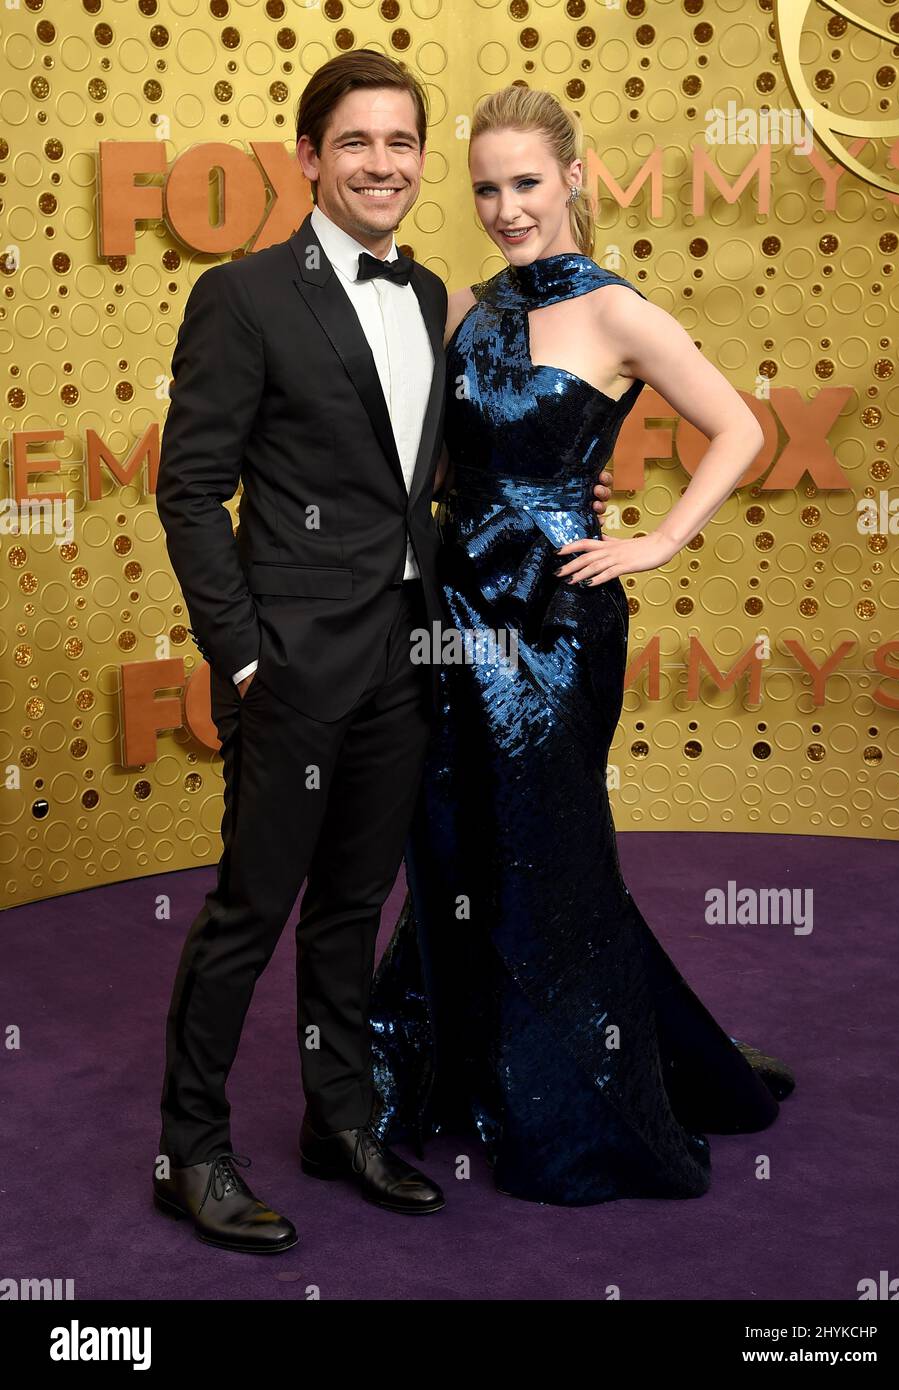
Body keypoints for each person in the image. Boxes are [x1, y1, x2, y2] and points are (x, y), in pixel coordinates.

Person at [152, 52, 617, 1251]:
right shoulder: (243, 296)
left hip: (411, 663)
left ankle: (340, 1119)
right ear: (310, 158)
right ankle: (189, 1150)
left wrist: (564, 482)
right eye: (355, 143)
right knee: (250, 913)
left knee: (351, 908)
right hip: (294, 668)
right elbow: (192, 491)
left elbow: (443, 468)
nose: (382, 165)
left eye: (401, 144)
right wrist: (246, 658)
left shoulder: (429, 299)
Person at [368, 85, 796, 1206]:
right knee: (457, 842)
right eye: (488, 188)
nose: (508, 207)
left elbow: (743, 427)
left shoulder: (620, 313)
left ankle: (580, 1112)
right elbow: (442, 465)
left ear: (572, 178)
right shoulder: (463, 306)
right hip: (456, 611)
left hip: (555, 623)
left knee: (548, 851)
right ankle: (478, 1077)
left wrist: (657, 539)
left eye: (526, 182)